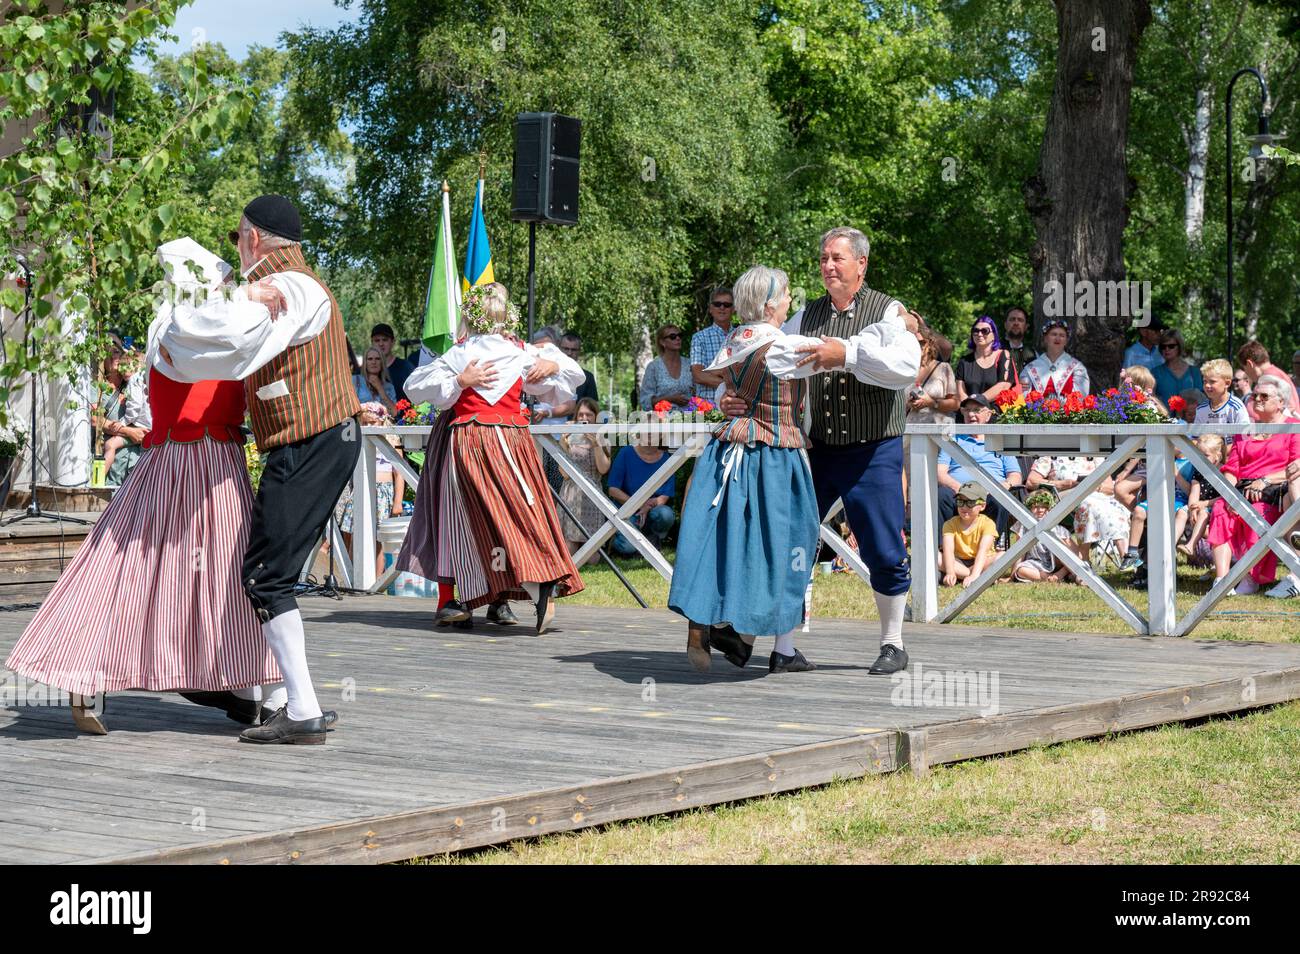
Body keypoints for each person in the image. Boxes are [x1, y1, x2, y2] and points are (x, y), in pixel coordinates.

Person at [5, 238, 281, 735]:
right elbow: (215, 342)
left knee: (146, 568)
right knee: (223, 570)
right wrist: (252, 300)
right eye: (218, 282)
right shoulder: (183, 323)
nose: (226, 288)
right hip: (202, 463)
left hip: (179, 460)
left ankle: (241, 689)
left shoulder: (187, 322)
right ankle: (251, 691)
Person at [157, 194, 360, 745]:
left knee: (266, 575)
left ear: (252, 237)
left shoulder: (287, 286)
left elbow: (220, 337)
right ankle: (266, 696)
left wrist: (231, 298)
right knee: (266, 573)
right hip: (317, 440)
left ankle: (299, 707)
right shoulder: (297, 282)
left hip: (310, 441)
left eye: (237, 236)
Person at [726, 226, 921, 675]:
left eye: (838, 258)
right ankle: (784, 648)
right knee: (792, 540)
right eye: (824, 258)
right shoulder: (806, 315)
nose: (828, 266)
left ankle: (893, 643)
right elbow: (766, 357)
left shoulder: (887, 312)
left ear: (861, 264)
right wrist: (734, 396)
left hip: (874, 448)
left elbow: (905, 369)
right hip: (817, 449)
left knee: (884, 545)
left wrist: (846, 356)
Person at [667, 264, 826, 674]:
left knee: (726, 539)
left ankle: (722, 625)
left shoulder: (736, 338)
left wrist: (726, 398)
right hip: (774, 451)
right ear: (772, 303)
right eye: (787, 294)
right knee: (785, 543)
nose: (791, 299)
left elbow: (721, 383)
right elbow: (832, 362)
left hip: (728, 448)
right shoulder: (784, 346)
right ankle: (758, 638)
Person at [401, 282, 586, 632]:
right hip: (509, 441)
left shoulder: (467, 351)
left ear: (471, 315)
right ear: (505, 314)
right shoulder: (519, 350)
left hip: (470, 440)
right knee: (517, 512)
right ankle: (527, 583)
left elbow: (413, 387)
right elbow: (571, 375)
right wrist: (548, 363)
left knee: (461, 519)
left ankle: (473, 598)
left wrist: (460, 380)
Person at [1209, 375, 1300, 596]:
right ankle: (1222, 581)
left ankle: (1251, 578)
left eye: (1264, 396)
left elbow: (1296, 466)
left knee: (1257, 513)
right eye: (1255, 395)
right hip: (1243, 488)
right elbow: (1232, 469)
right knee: (1221, 508)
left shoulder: (1293, 428)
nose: (1257, 399)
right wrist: (1231, 494)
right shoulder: (1246, 430)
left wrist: (1265, 480)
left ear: (1281, 402)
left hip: (1274, 490)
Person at [336, 401, 406, 578]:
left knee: (379, 538)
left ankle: (375, 578)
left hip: (383, 492)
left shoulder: (392, 441)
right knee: (352, 532)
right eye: (364, 423)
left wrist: (398, 502)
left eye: (372, 423)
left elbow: (400, 474)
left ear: (382, 422)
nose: (367, 427)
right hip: (360, 490)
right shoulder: (357, 440)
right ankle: (353, 576)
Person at [936, 394, 1022, 534]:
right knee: (941, 495)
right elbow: (940, 473)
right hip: (957, 494)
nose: (971, 414)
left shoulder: (999, 439)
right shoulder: (952, 438)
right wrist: (961, 489)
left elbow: (1015, 476)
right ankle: (944, 548)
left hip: (990, 495)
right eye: (967, 410)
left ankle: (991, 548)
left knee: (1001, 498)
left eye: (977, 410)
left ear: (988, 415)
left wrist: (1001, 487)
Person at [558, 397, 611, 564]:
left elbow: (603, 469)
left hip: (593, 493)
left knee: (593, 559)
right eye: (580, 415)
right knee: (569, 550)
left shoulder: (603, 437)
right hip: (571, 492)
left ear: (595, 416)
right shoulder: (568, 436)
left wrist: (595, 444)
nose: (584, 419)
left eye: (589, 415)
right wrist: (564, 444)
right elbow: (565, 475)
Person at [607, 438, 677, 556]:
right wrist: (640, 504)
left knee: (666, 515)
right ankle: (613, 541)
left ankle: (652, 538)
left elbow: (664, 496)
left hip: (652, 509)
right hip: (627, 509)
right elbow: (613, 490)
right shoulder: (626, 453)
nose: (649, 434)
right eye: (646, 430)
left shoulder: (666, 458)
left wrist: (647, 506)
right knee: (627, 548)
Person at [1010, 488, 1076, 583]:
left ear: (1049, 509)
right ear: (1030, 509)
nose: (1040, 510)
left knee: (1062, 549)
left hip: (1058, 565)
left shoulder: (1058, 529)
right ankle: (1048, 578)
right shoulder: (1023, 527)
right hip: (1036, 563)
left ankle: (1060, 575)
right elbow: (1019, 553)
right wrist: (1012, 577)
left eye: (1044, 507)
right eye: (1036, 507)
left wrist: (1061, 572)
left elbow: (1073, 555)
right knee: (1021, 570)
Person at [941, 481, 997, 588]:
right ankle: (970, 575)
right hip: (958, 562)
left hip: (982, 561)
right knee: (935, 555)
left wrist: (974, 575)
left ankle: (967, 575)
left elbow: (983, 551)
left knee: (1001, 556)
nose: (964, 507)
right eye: (960, 502)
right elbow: (948, 551)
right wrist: (950, 572)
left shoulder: (988, 523)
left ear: (982, 506)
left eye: (970, 502)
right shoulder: (949, 524)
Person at [954, 315, 1018, 406]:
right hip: (969, 415)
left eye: (985, 331)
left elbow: (1003, 386)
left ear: (994, 335)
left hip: (996, 415)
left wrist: (976, 402)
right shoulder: (964, 361)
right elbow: (960, 392)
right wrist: (971, 408)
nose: (979, 334)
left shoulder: (1003, 355)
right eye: (976, 331)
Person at [1023, 317, 1090, 395]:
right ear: (1045, 338)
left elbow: (1080, 398)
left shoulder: (1077, 368)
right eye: (1053, 334)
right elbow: (1023, 397)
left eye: (1062, 335)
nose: (1058, 338)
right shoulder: (1030, 368)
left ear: (1066, 341)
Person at [1237, 340, 1300, 420]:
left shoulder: (1270, 378)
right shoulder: (1274, 374)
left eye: (1244, 368)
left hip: (1281, 430)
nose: (1245, 373)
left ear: (1250, 364)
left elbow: (1290, 408)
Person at [689, 286, 734, 399]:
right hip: (709, 407)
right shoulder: (699, 338)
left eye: (727, 304)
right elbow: (698, 375)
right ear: (710, 308)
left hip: (736, 406)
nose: (722, 307)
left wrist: (713, 372)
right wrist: (731, 385)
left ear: (734, 309)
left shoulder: (741, 336)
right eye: (717, 304)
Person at [640, 324, 695, 410]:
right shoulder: (654, 367)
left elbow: (699, 393)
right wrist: (670, 399)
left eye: (680, 335)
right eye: (672, 336)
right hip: (662, 420)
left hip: (690, 419)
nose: (678, 338)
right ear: (662, 342)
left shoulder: (690, 364)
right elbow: (645, 402)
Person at [1194, 359, 1249, 444]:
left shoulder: (1236, 407)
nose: (1207, 385)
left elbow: (1244, 439)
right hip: (1207, 456)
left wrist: (1223, 452)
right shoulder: (1201, 409)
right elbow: (1196, 438)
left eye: (1212, 381)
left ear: (1227, 383)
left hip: (1232, 456)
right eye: (1205, 381)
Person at [1150, 329, 1202, 403]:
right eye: (1163, 346)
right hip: (1164, 414)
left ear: (1179, 347)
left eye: (1171, 346)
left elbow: (1201, 400)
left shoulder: (1194, 372)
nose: (1166, 349)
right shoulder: (1155, 373)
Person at [370, 322, 414, 401]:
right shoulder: (363, 372)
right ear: (372, 343)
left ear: (393, 342)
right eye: (377, 340)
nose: (381, 344)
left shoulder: (405, 368)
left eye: (385, 340)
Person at [354, 345, 398, 413]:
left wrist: (380, 388)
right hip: (360, 423)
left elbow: (394, 413)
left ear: (382, 362)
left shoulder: (389, 387)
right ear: (365, 362)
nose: (374, 362)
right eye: (370, 359)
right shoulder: (355, 380)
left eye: (377, 359)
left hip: (383, 423)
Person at [560, 332, 599, 403]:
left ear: (579, 351)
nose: (569, 353)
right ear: (559, 349)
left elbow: (592, 408)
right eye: (566, 349)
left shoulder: (587, 378)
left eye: (573, 350)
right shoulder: (547, 373)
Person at [1002, 306, 1037, 373]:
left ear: (1026, 326)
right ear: (1005, 325)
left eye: (1020, 320)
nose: (1016, 323)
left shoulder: (1033, 354)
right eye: (1012, 319)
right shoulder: (995, 350)